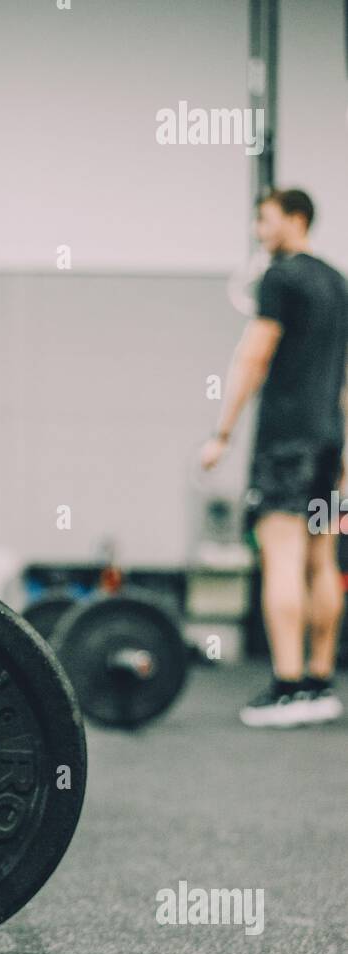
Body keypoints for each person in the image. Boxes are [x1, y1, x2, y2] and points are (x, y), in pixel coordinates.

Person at [201, 189, 348, 727]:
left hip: (286, 444)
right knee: (321, 561)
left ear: (295, 218)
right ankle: (318, 681)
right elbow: (343, 377)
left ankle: (288, 688)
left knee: (282, 557)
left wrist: (222, 432)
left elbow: (254, 354)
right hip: (329, 443)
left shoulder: (281, 277)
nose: (259, 230)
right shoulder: (338, 282)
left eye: (265, 220)